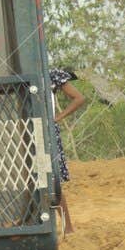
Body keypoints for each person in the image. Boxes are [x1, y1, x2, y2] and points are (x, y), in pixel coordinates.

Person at [49, 66, 85, 228]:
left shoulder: (50, 74)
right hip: (24, 129)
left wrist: (57, 118)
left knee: (51, 180)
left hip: (46, 131)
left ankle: (67, 227)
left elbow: (78, 98)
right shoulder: (16, 72)